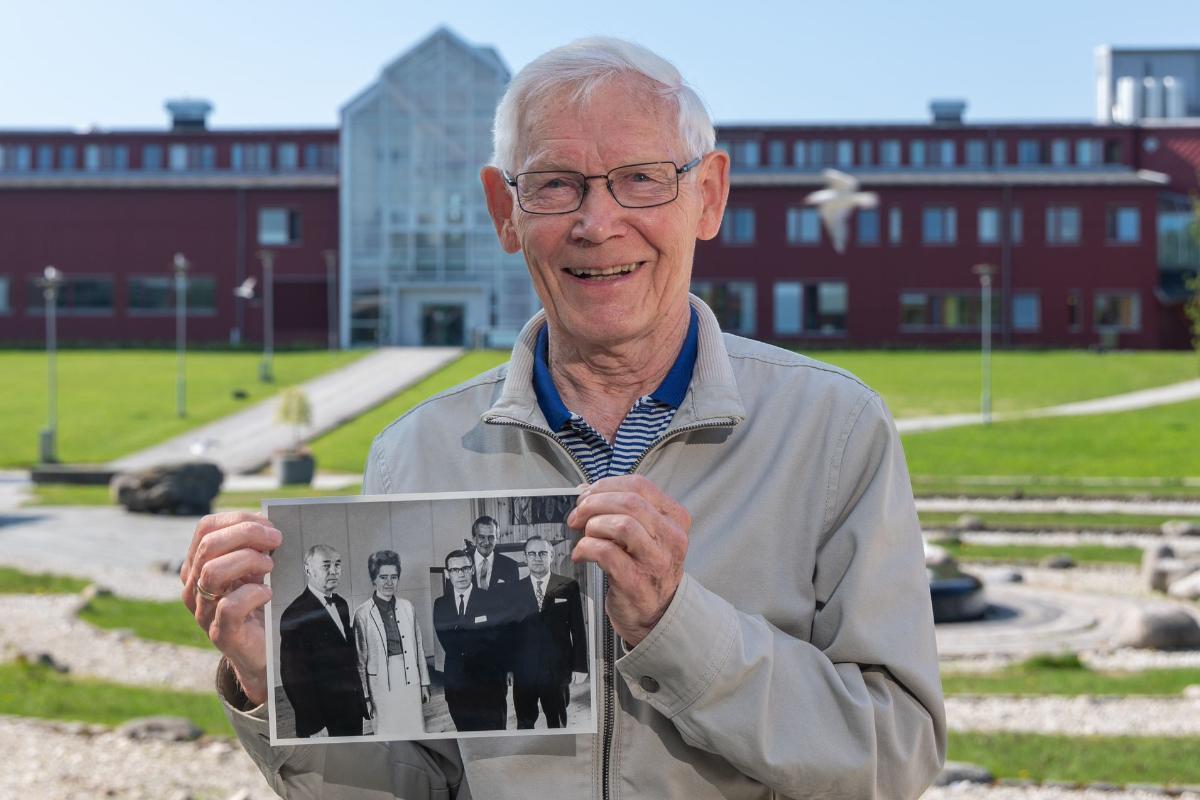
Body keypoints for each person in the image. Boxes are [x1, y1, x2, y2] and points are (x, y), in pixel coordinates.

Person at [182, 36, 946, 799]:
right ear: (504, 211)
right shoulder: (415, 452)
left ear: (708, 196)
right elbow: (409, 784)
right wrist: (274, 677)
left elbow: (896, 758)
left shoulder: (835, 431)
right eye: (554, 185)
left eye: (642, 180)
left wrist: (677, 628)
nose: (597, 222)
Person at [278, 544, 367, 738]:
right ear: (308, 569)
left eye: (337, 565)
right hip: (322, 722)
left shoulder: (342, 604)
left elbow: (347, 660)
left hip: (351, 710)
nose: (334, 571)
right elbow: (292, 677)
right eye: (326, 565)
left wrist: (361, 700)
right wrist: (314, 725)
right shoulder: (294, 614)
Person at [352, 550, 430, 738]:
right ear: (374, 579)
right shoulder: (362, 614)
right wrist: (366, 697)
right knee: (387, 733)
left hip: (410, 677)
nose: (389, 583)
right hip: (380, 684)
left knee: (414, 730)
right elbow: (360, 661)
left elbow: (418, 647)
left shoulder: (407, 607)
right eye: (383, 577)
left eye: (394, 577)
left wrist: (424, 683)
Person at [511, 536, 587, 729]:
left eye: (543, 553)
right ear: (525, 557)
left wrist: (580, 666)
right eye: (532, 554)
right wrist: (508, 667)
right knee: (524, 722)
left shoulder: (568, 586)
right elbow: (508, 633)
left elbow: (578, 629)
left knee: (558, 721)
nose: (537, 558)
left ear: (551, 556)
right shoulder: (514, 590)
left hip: (557, 670)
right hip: (524, 671)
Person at [432, 550, 508, 731]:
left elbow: (496, 641)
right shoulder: (440, 604)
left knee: (494, 740)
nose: (461, 574)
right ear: (447, 573)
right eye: (455, 570)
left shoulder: (491, 600)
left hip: (489, 686)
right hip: (457, 685)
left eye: (465, 568)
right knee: (465, 738)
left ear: (472, 570)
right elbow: (448, 643)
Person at [469, 515, 519, 593]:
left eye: (491, 537)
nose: (486, 542)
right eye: (482, 537)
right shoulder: (461, 564)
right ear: (474, 538)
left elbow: (514, 599)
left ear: (497, 538)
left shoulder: (510, 566)